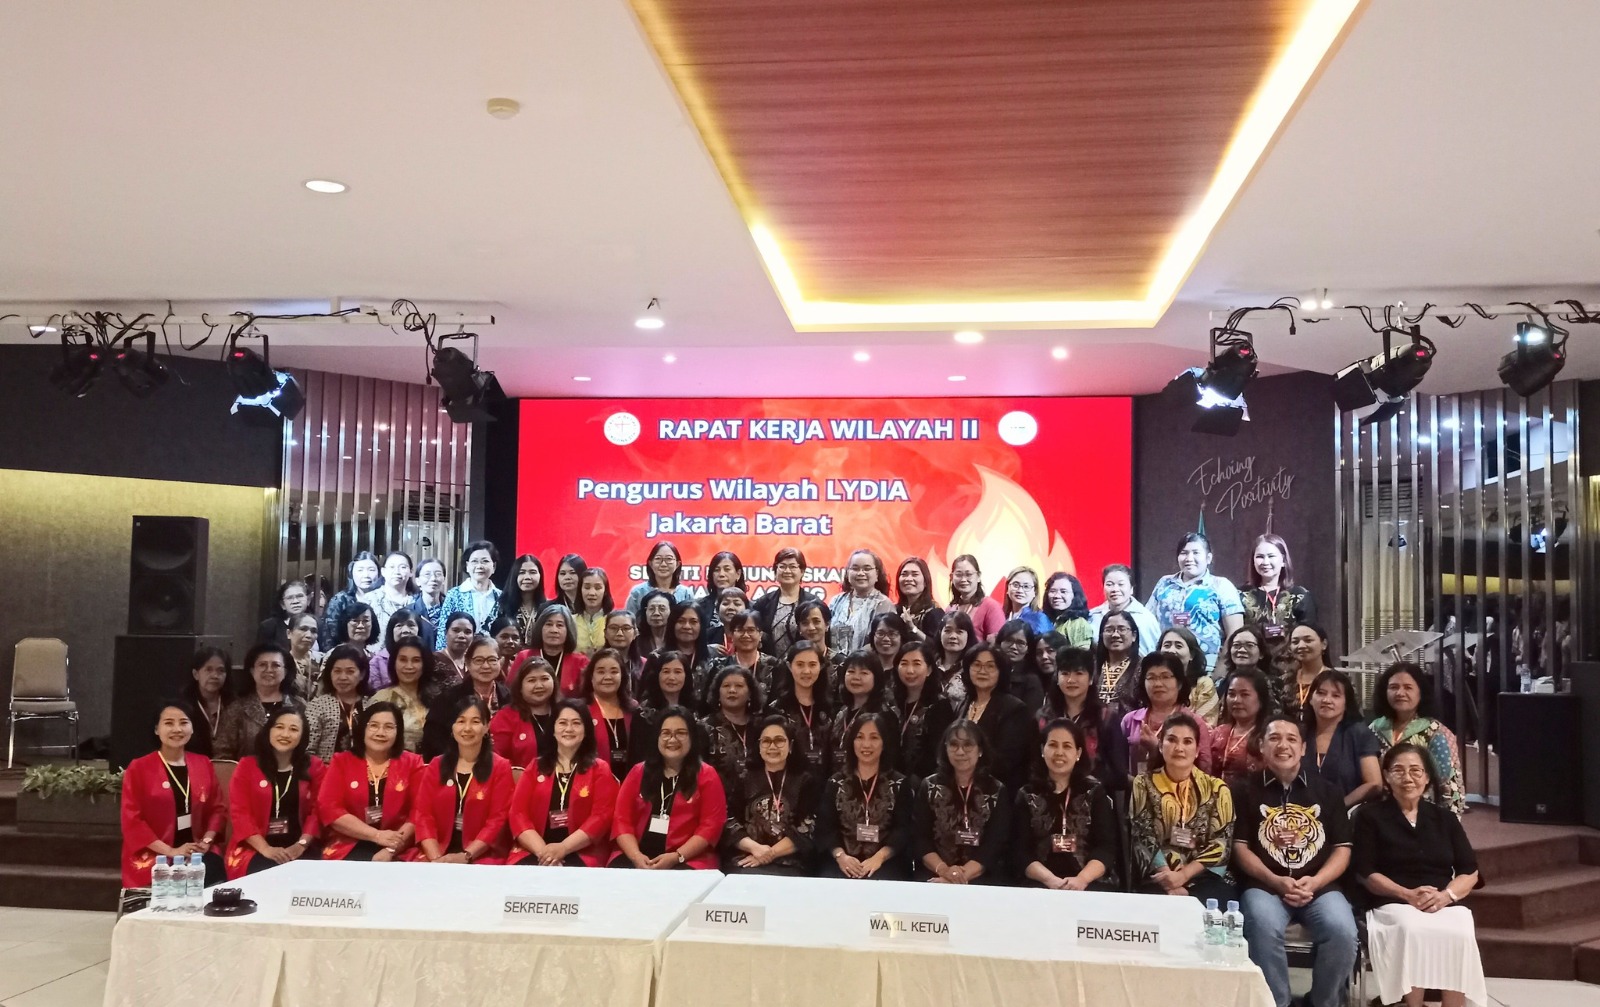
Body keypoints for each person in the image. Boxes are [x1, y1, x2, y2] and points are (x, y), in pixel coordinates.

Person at [1233, 717, 1358, 1007]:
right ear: (1262, 746)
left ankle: (1323, 1002)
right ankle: (1277, 1002)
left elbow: (1342, 848)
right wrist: (1274, 880)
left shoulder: (1328, 790)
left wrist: (1317, 881)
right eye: (1274, 738)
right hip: (1265, 884)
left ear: (1303, 748)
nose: (1283, 745)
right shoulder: (1242, 790)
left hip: (1319, 885)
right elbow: (1240, 848)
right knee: (1262, 926)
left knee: (1343, 931)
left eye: (1291, 738)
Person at [1354, 743, 1486, 1007]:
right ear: (1387, 777)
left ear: (1426, 777)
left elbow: (1470, 871)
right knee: (1411, 927)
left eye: (1416, 770)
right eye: (1399, 771)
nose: (1408, 777)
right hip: (1391, 901)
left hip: (1440, 900)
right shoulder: (1370, 816)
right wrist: (1406, 894)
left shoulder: (1445, 818)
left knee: (1460, 926)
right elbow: (1364, 872)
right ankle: (1412, 1004)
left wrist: (1446, 896)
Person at [120, 701, 225, 897]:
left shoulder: (203, 763)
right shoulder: (139, 768)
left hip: (196, 850)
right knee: (176, 878)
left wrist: (207, 841)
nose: (177, 729)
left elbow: (217, 809)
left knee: (212, 870)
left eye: (184, 723)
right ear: (156, 730)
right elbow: (133, 821)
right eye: (169, 723)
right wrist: (171, 851)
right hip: (156, 853)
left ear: (192, 728)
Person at [1130, 712, 1236, 903]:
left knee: (1222, 897)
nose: (1179, 748)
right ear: (1161, 746)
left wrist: (1183, 877)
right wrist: (1168, 877)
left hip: (1202, 876)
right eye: (1172, 740)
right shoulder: (1143, 783)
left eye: (1187, 742)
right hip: (1158, 875)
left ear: (1196, 750)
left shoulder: (1217, 789)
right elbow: (1143, 835)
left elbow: (1221, 844)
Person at [611, 706, 727, 868]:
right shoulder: (638, 772)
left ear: (692, 737)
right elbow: (621, 819)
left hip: (687, 858)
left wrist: (677, 856)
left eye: (680, 733)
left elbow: (710, 826)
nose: (672, 740)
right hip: (637, 854)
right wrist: (636, 856)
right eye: (666, 733)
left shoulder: (707, 775)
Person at [508, 699, 619, 867]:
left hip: (582, 851)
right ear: (553, 729)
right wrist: (545, 853)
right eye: (562, 723)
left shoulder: (599, 769)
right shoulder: (535, 767)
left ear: (586, 730)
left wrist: (563, 848)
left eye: (576, 723)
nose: (569, 729)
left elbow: (601, 818)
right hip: (535, 849)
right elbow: (518, 814)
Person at [1014, 718, 1118, 890]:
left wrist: (1082, 880)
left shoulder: (1094, 791)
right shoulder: (1027, 794)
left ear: (1078, 753)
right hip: (1040, 884)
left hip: (1088, 883)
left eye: (1067, 746)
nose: (1059, 752)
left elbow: (1106, 848)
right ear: (1042, 750)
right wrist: (1050, 881)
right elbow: (1020, 852)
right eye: (1053, 745)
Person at [411, 695, 514, 864]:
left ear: (487, 726)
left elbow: (497, 820)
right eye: (461, 721)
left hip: (481, 853)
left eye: (475, 722)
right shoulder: (437, 764)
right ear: (452, 727)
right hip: (437, 850)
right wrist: (436, 858)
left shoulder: (500, 767)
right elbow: (423, 815)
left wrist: (466, 855)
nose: (467, 728)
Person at [317, 702, 422, 861]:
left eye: (389, 727)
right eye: (374, 725)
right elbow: (329, 808)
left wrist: (391, 848)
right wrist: (377, 835)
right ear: (363, 729)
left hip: (400, 843)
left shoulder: (413, 763)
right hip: (351, 841)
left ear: (398, 732)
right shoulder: (342, 761)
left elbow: (419, 811)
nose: (380, 732)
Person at [225, 707, 322, 877]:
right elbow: (240, 813)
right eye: (279, 727)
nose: (285, 734)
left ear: (302, 736)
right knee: (269, 875)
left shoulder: (314, 766)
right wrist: (266, 849)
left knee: (311, 877)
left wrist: (302, 844)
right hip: (255, 848)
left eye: (293, 729)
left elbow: (317, 810)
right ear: (268, 730)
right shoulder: (247, 766)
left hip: (301, 845)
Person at [912, 719, 1011, 884]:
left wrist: (960, 876)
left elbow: (995, 843)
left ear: (980, 750)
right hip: (936, 872)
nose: (960, 751)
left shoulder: (996, 790)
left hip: (980, 875)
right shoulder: (929, 786)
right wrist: (944, 871)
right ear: (945, 749)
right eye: (954, 745)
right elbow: (920, 838)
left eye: (967, 745)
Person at [816, 712, 912, 880]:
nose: (866, 744)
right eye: (859, 737)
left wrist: (879, 857)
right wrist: (841, 856)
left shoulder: (898, 783)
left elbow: (902, 830)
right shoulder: (836, 782)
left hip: (885, 861)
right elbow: (826, 828)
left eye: (874, 738)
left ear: (884, 743)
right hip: (843, 860)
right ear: (852, 742)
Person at [722, 715, 818, 875]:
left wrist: (769, 854)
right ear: (758, 746)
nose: (772, 746)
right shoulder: (743, 777)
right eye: (766, 741)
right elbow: (729, 820)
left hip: (790, 860)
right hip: (747, 855)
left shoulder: (805, 780)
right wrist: (755, 849)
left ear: (791, 745)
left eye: (779, 740)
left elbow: (807, 827)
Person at [1369, 663, 1467, 815]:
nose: (1400, 693)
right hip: (1380, 816)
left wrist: (1449, 826)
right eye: (1394, 687)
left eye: (1408, 687)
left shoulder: (1436, 732)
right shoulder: (1374, 729)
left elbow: (1450, 786)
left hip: (1424, 817)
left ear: (1421, 693)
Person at [1147, 533, 1245, 669]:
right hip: (1166, 665)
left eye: (1196, 553)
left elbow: (1236, 632)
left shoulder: (1221, 585)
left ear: (1208, 558)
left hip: (1208, 666)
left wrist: (1222, 668)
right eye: (1184, 553)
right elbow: (1148, 622)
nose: (1189, 558)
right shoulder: (1164, 583)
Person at [1119, 653, 1213, 779]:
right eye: (1151, 677)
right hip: (1135, 793)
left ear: (1179, 683)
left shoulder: (1194, 722)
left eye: (1165, 677)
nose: (1158, 683)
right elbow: (1119, 763)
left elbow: (1204, 768)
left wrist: (1157, 749)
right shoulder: (1131, 720)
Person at [959, 642, 1037, 794]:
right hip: (962, 786)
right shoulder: (965, 703)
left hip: (997, 791)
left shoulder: (1014, 708)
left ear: (1001, 672)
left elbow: (1006, 761)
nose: (982, 671)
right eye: (977, 665)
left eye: (990, 666)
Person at [423, 634, 513, 761]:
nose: (486, 666)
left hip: (501, 767)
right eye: (479, 660)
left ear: (500, 661)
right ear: (468, 663)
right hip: (457, 766)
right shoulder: (448, 699)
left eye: (492, 660)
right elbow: (433, 739)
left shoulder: (510, 698)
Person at [1302, 669, 1382, 806]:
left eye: (1336, 695)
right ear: (1310, 699)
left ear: (1346, 704)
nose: (1327, 700)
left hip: (1347, 816)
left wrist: (1339, 807)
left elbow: (1374, 783)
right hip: (1302, 816)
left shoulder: (1359, 733)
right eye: (1321, 693)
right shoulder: (1299, 733)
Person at [213, 644, 306, 761]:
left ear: (285, 671)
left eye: (276, 665)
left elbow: (306, 748)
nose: (269, 670)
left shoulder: (299, 706)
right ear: (252, 671)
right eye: (262, 665)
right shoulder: (237, 708)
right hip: (246, 775)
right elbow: (222, 753)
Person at [892, 640, 957, 780]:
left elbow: (938, 753)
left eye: (917, 664)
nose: (910, 670)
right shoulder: (893, 702)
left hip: (924, 782)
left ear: (929, 670)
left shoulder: (939, 705)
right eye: (904, 664)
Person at [1038, 648, 1107, 779]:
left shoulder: (1105, 718)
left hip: (1094, 792)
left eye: (1079, 673)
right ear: (1057, 678)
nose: (1071, 680)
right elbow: (1034, 762)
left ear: (1091, 679)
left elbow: (1117, 773)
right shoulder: (1043, 718)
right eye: (1065, 673)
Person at [768, 641, 835, 775]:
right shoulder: (777, 709)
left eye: (812, 665)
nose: (806, 671)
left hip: (824, 783)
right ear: (789, 666)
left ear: (821, 667)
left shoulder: (830, 707)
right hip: (789, 784)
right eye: (800, 665)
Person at [701, 666, 763, 799]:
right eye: (726, 686)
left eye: (739, 686)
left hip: (758, 803)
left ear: (750, 693)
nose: (732, 690)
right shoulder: (704, 727)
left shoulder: (762, 726)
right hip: (717, 801)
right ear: (718, 693)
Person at [1242, 533, 1317, 643]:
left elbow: (1309, 637)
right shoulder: (1240, 594)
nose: (1265, 562)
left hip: (1291, 658)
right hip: (1252, 658)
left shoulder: (1300, 595)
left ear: (1283, 560)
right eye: (1260, 557)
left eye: (1271, 556)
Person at [491, 654, 559, 773]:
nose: (539, 685)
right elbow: (495, 759)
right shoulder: (505, 717)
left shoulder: (565, 712)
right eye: (531, 680)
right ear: (520, 687)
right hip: (520, 786)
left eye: (544, 679)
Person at [304, 644, 373, 759]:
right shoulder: (318, 706)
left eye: (350, 672)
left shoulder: (372, 704)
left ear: (362, 674)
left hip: (366, 772)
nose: (343, 677)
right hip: (326, 772)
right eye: (337, 671)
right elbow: (308, 749)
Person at [829, 650, 898, 759]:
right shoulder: (843, 711)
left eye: (864, 673)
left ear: (876, 677)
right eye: (851, 671)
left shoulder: (884, 715)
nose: (856, 677)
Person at [753, 547, 822, 657]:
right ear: (775, 571)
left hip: (804, 664)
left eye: (793, 567)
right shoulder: (763, 603)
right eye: (782, 566)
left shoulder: (813, 603)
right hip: (769, 665)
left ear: (802, 571)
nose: (787, 571)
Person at [700, 610, 783, 700]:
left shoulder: (774, 665)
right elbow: (709, 700)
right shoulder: (718, 666)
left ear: (760, 635)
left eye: (751, 630)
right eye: (740, 630)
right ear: (731, 635)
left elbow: (779, 701)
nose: (746, 635)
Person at [1211, 668, 1272, 789]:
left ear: (1260, 700)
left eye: (1244, 694)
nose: (1236, 700)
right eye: (1231, 694)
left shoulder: (1269, 736)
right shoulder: (1218, 732)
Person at [370, 637, 434, 752]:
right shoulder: (381, 699)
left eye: (416, 660)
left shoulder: (436, 699)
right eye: (403, 660)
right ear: (394, 663)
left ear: (425, 664)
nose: (409, 666)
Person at [582, 648, 636, 781]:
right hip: (592, 784)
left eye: (614, 671)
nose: (607, 677)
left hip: (630, 784)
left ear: (622, 676)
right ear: (591, 676)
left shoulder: (634, 709)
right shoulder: (580, 711)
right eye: (601, 672)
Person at [829, 549, 895, 652]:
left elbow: (880, 643)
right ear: (847, 573)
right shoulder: (836, 601)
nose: (860, 573)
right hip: (833, 664)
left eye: (867, 569)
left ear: (877, 574)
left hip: (867, 665)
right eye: (855, 568)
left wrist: (852, 662)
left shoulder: (883, 604)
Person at [1087, 564, 1162, 655]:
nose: (1115, 589)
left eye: (1121, 584)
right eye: (1109, 584)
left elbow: (1153, 652)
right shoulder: (1093, 616)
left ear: (1131, 589)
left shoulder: (1146, 618)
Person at [364, 551, 430, 646]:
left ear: (411, 572)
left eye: (403, 567)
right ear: (383, 571)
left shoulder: (418, 601)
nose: (397, 571)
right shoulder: (369, 600)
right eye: (392, 567)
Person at [1158, 625, 1221, 725]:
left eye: (1178, 646)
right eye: (1167, 645)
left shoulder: (1203, 684)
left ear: (1191, 655)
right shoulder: (1154, 682)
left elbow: (1206, 726)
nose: (1171, 650)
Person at [320, 551, 381, 649]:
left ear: (379, 572)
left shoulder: (384, 599)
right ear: (351, 573)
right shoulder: (340, 600)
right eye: (360, 570)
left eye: (371, 570)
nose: (366, 575)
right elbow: (329, 636)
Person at [180, 646, 234, 758]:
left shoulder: (234, 704)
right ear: (196, 674)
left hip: (229, 768)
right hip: (192, 766)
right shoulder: (182, 705)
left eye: (221, 670)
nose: (215, 676)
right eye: (208, 669)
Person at [440, 540, 503, 632]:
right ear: (467, 566)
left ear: (493, 566)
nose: (479, 566)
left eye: (485, 561)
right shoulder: (454, 595)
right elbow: (443, 630)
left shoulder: (500, 596)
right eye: (474, 561)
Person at [1281, 623, 1335, 722]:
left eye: (1308, 640)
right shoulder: (1284, 681)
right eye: (1295, 642)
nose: (1301, 646)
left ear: (1324, 644)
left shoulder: (1339, 681)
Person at [623, 541, 696, 615]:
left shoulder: (686, 593)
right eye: (658, 559)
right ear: (650, 563)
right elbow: (629, 621)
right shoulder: (638, 592)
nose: (663, 564)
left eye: (669, 559)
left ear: (677, 564)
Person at [1093, 610, 1142, 718]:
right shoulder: (1093, 667)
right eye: (1109, 630)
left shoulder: (1143, 668)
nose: (1115, 635)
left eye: (1121, 629)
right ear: (1101, 635)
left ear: (1134, 635)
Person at [532, 604, 588, 694]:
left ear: (569, 630)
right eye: (549, 624)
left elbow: (587, 697)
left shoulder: (581, 662)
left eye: (560, 625)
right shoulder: (525, 657)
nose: (554, 630)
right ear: (540, 628)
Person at [946, 554, 1004, 640]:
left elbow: (998, 645)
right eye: (958, 574)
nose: (963, 579)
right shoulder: (950, 609)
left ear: (978, 576)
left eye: (968, 574)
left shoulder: (991, 607)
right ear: (951, 577)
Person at [995, 619, 1047, 715]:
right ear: (1000, 642)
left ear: (1028, 648)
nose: (1014, 647)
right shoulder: (990, 671)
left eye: (1020, 643)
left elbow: (1030, 718)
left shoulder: (1032, 680)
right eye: (1008, 640)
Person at [894, 556, 945, 641]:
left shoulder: (934, 611)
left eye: (915, 574)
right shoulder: (895, 610)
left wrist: (912, 628)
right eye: (904, 574)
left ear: (925, 582)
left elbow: (936, 646)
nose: (908, 579)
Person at [665, 603, 712, 694]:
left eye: (693, 622)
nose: (687, 626)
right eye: (681, 621)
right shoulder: (657, 657)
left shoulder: (713, 658)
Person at [1040, 572, 1093, 649]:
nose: (1057, 596)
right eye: (1052, 591)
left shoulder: (1078, 623)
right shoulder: (1045, 620)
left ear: (1074, 595)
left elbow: (1080, 657)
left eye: (1063, 591)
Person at [695, 550, 746, 630]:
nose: (721, 574)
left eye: (727, 569)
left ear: (738, 574)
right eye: (717, 570)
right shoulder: (699, 606)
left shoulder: (752, 607)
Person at [503, 554, 547, 645]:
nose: (527, 577)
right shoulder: (502, 606)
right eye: (521, 572)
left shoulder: (548, 607)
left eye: (532, 572)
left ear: (540, 575)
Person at [934, 612, 975, 708]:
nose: (953, 636)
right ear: (940, 633)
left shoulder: (973, 668)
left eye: (959, 632)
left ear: (968, 635)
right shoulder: (929, 664)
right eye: (947, 631)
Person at [432, 612, 477, 695]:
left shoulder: (475, 662)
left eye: (467, 632)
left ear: (473, 636)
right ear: (446, 632)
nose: (461, 635)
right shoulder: (432, 661)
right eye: (456, 630)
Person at [258, 579, 311, 648]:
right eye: (289, 598)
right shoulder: (269, 627)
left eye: (300, 596)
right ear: (282, 604)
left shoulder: (317, 624)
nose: (295, 601)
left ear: (308, 600)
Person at [1001, 566, 1054, 636]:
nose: (1020, 590)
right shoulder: (1001, 615)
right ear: (1008, 588)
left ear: (1035, 591)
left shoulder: (1040, 619)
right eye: (1015, 585)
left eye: (1026, 587)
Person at [574, 567, 613, 655]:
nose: (592, 593)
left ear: (605, 591)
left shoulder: (613, 620)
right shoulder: (570, 621)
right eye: (587, 587)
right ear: (580, 590)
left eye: (598, 588)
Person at [867, 611, 912, 685]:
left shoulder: (908, 671)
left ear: (902, 637)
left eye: (892, 634)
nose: (886, 639)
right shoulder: (865, 667)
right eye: (880, 634)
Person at [633, 589, 675, 664]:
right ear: (645, 611)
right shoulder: (635, 641)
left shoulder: (678, 640)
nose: (656, 613)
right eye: (651, 609)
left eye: (662, 609)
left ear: (671, 611)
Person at [286, 613, 322, 698]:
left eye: (313, 631)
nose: (309, 635)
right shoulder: (281, 662)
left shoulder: (324, 660)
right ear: (289, 633)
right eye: (303, 629)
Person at [415, 558, 448, 649]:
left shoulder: (451, 609)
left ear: (444, 579)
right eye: (427, 574)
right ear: (418, 581)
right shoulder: (410, 612)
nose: (433, 578)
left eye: (438, 574)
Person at [604, 610, 642, 684]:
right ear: (605, 633)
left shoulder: (644, 665)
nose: (619, 634)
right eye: (613, 628)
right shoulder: (595, 664)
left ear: (635, 633)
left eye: (626, 628)